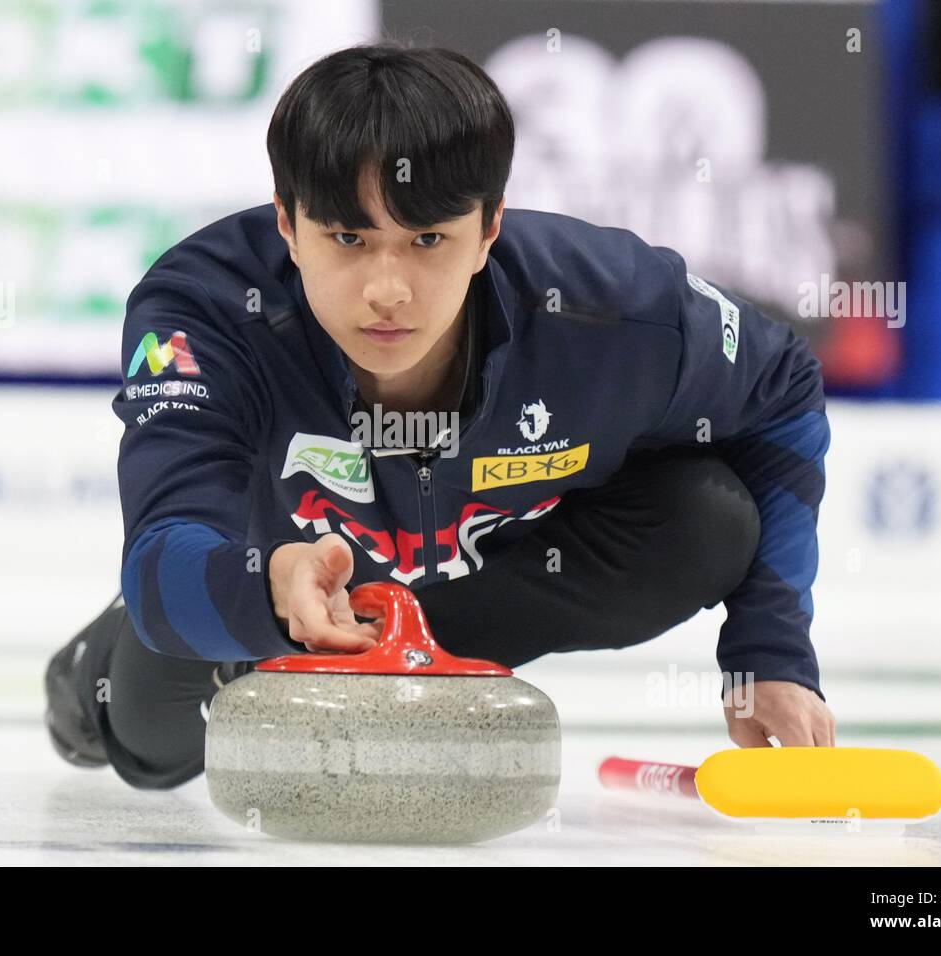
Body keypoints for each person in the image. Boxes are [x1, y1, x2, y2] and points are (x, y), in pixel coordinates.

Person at [45, 42, 836, 790]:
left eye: (427, 239)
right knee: (144, 733)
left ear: (490, 227)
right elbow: (159, 562)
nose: (387, 290)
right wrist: (270, 593)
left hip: (478, 576)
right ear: (287, 224)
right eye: (348, 237)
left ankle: (397, 654)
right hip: (268, 567)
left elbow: (784, 387)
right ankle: (107, 682)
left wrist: (770, 651)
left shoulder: (611, 307)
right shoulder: (207, 310)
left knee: (708, 521)